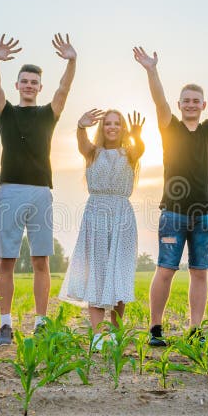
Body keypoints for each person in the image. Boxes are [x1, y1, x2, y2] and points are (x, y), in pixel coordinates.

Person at [133, 45, 208, 346]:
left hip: (205, 214)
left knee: (199, 273)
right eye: (186, 101)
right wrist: (152, 70)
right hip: (173, 214)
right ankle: (155, 329)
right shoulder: (169, 127)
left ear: (203, 104)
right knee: (165, 269)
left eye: (196, 101)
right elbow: (158, 101)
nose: (191, 105)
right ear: (179, 104)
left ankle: (196, 330)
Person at [0, 33, 77, 345]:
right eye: (24, 81)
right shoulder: (6, 112)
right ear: (17, 85)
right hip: (10, 190)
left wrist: (72, 61)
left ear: (40, 87)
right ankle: (5, 325)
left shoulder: (47, 115)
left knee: (41, 260)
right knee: (6, 261)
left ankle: (41, 322)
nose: (28, 85)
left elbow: (64, 90)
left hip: (41, 191)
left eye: (34, 82)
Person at [58, 109, 145, 350]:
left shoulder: (129, 154)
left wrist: (136, 135)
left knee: (118, 275)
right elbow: (82, 143)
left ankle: (116, 336)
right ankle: (97, 337)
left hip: (122, 217)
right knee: (95, 274)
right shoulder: (93, 153)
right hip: (96, 215)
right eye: (108, 123)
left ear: (123, 127)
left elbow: (140, 149)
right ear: (102, 127)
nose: (112, 127)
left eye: (117, 123)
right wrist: (80, 126)